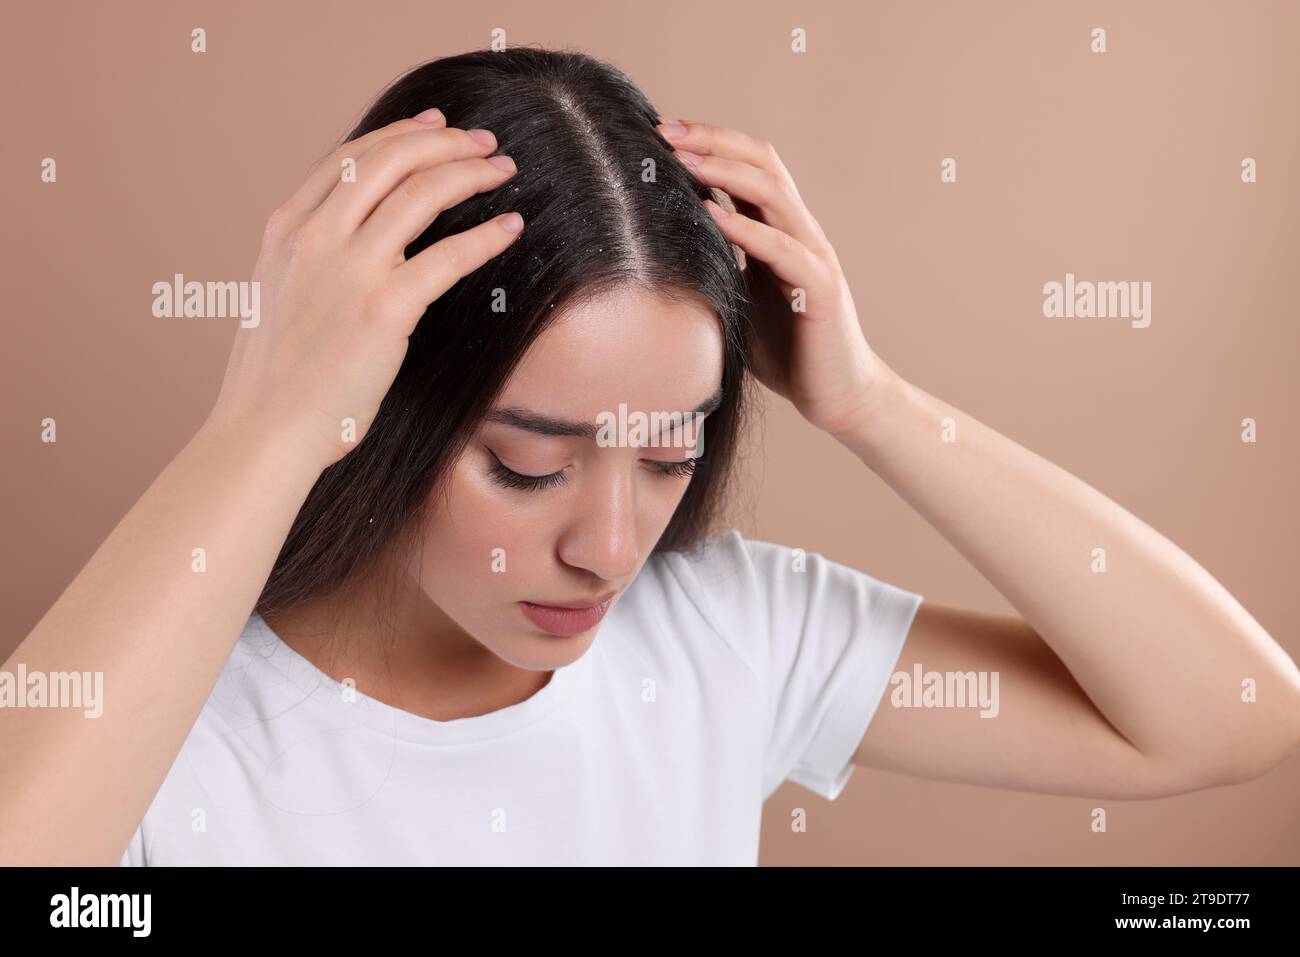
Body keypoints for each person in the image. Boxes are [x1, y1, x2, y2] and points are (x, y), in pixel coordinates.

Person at [3, 48, 1298, 866]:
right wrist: (267, 424)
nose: (610, 548)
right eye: (527, 465)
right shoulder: (165, 732)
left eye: (668, 454)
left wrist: (873, 403)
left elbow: (1235, 717)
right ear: (382, 409)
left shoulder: (724, 634)